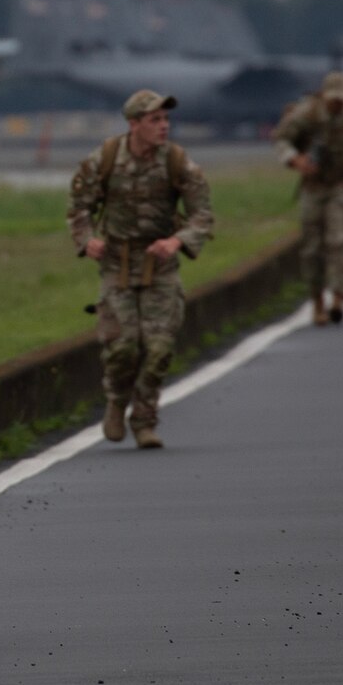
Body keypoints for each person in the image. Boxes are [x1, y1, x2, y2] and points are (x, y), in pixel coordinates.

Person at [67, 89, 215, 450]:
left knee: (160, 347)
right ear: (134, 124)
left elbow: (202, 214)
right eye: (155, 120)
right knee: (123, 347)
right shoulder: (103, 159)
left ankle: (145, 419)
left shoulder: (177, 161)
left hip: (160, 266)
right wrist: (87, 241)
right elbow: (79, 206)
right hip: (116, 264)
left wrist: (177, 241)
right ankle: (118, 400)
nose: (164, 126)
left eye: (166, 119)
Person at [274, 71, 343, 326]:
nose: (336, 104)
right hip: (313, 188)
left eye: (341, 100)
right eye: (333, 99)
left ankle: (338, 299)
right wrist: (295, 160)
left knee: (340, 241)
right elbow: (281, 138)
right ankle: (317, 302)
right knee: (312, 248)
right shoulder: (306, 114)